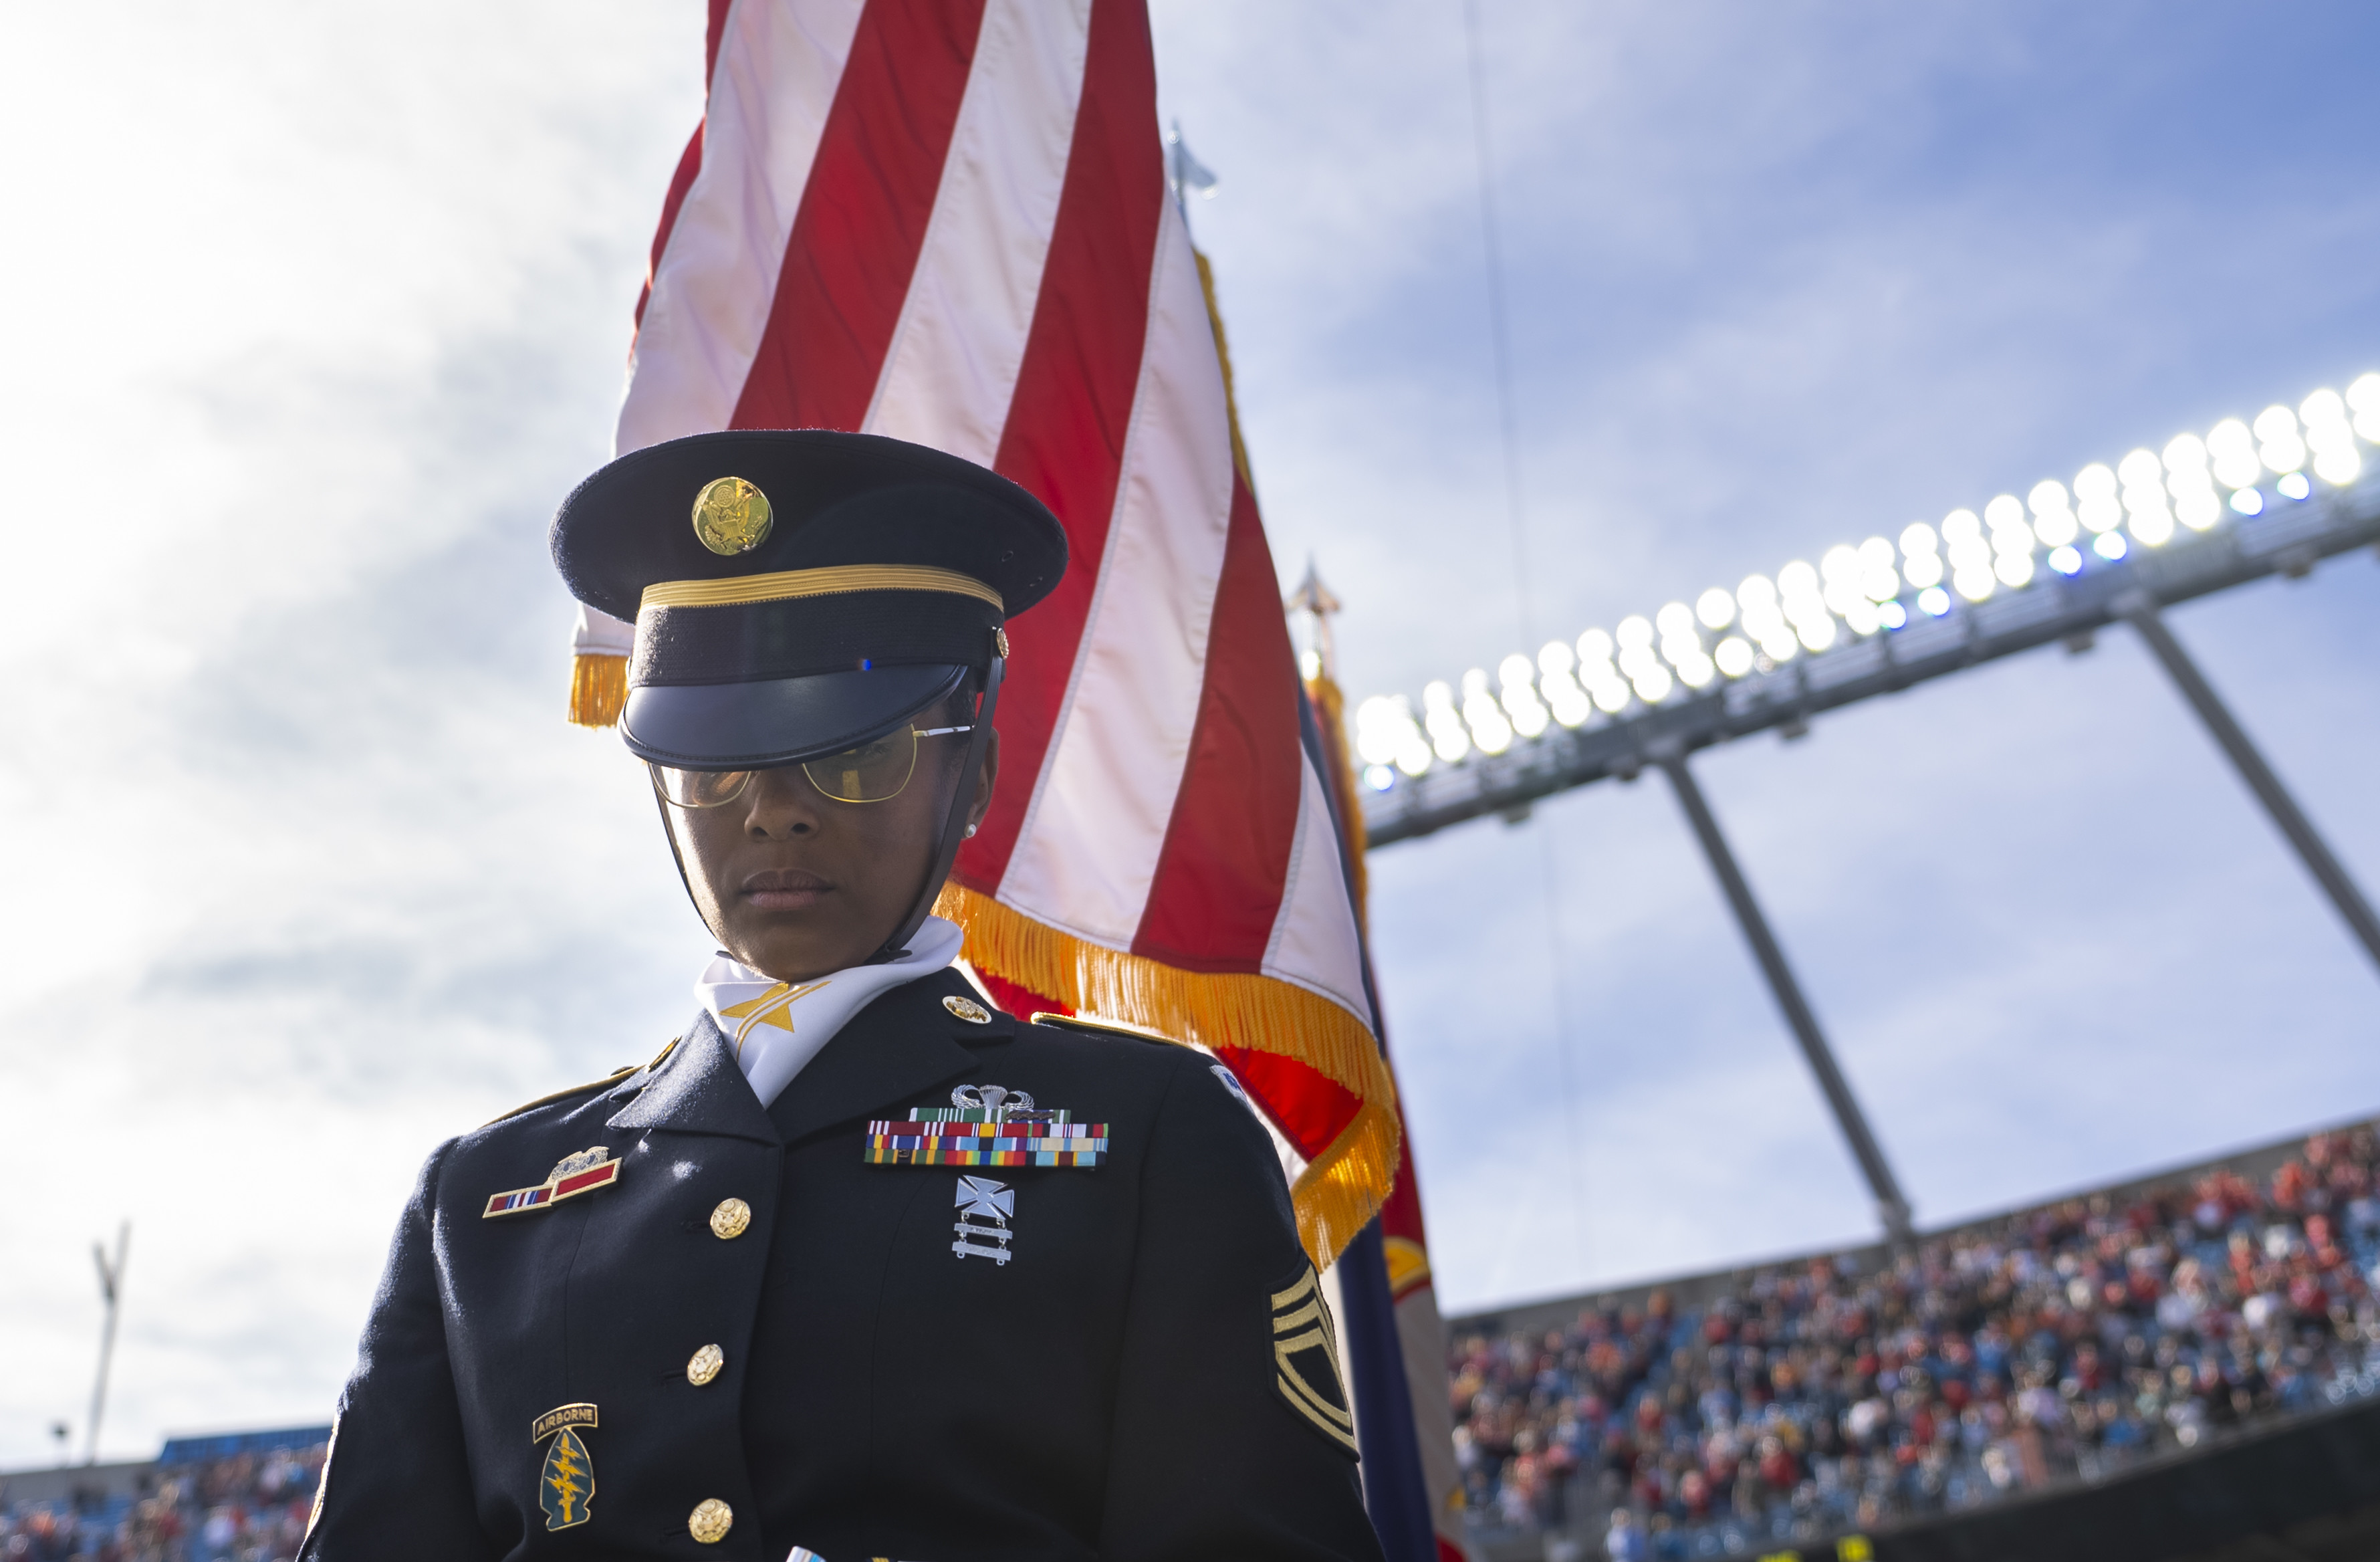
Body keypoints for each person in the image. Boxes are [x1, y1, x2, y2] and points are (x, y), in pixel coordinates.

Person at [300, 431, 1384, 1562]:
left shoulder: (1148, 1138)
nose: (774, 811)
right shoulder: (478, 1203)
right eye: (714, 766)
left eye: (853, 755)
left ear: (974, 778)